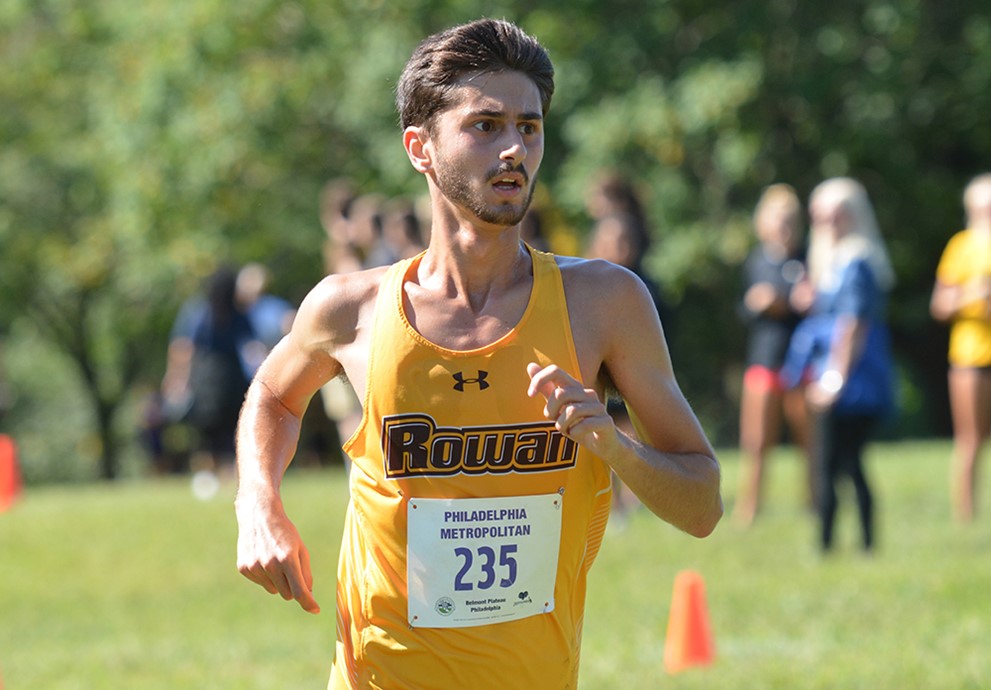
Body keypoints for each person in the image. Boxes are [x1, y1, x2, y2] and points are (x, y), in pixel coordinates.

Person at [234, 18, 722, 689]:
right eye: (484, 126)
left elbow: (700, 507)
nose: (513, 150)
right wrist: (259, 506)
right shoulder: (351, 310)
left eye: (529, 127)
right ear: (420, 147)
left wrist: (612, 446)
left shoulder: (602, 303)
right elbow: (272, 395)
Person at [782, 178, 895, 553]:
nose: (827, 223)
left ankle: (837, 544)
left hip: (852, 378)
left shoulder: (856, 261)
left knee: (838, 462)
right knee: (842, 462)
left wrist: (834, 379)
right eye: (821, 216)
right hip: (841, 374)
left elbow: (852, 325)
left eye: (836, 214)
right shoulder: (832, 261)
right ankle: (850, 543)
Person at [733, 184, 813, 528]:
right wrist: (759, 303)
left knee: (808, 441)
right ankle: (749, 507)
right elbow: (744, 309)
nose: (783, 227)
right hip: (763, 361)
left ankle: (814, 501)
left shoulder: (808, 258)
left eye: (789, 220)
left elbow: (812, 305)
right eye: (777, 220)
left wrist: (785, 302)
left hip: (801, 363)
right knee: (756, 442)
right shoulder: (757, 260)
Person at [930, 173, 991, 523]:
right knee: (970, 439)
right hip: (970, 356)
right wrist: (972, 296)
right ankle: (965, 514)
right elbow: (940, 304)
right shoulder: (961, 246)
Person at [162, 266, 258, 478]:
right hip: (224, 380)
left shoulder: (199, 310)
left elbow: (183, 347)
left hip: (209, 380)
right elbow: (253, 348)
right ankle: (223, 476)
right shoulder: (230, 313)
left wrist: (176, 378)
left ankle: (212, 476)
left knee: (210, 434)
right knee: (227, 431)